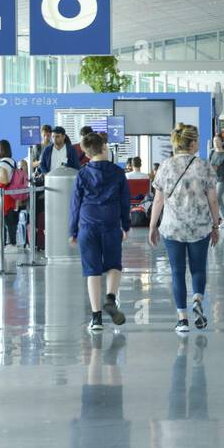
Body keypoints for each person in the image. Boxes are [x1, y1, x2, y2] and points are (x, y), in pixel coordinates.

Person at [149, 123, 219, 334]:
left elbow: (158, 200)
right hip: (199, 227)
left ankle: (182, 320)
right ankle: (197, 299)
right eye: (197, 139)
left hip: (173, 228)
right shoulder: (204, 166)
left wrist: (153, 226)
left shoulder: (165, 166)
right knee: (198, 268)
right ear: (191, 143)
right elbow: (213, 200)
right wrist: (215, 225)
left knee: (177, 272)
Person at [69, 131, 132, 332]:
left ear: (87, 154)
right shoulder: (118, 172)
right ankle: (111, 298)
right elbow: (125, 202)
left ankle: (96, 319)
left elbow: (75, 204)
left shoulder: (82, 173)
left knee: (92, 271)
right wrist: (126, 225)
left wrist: (73, 230)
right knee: (114, 265)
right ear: (105, 148)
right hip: (111, 223)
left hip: (88, 225)